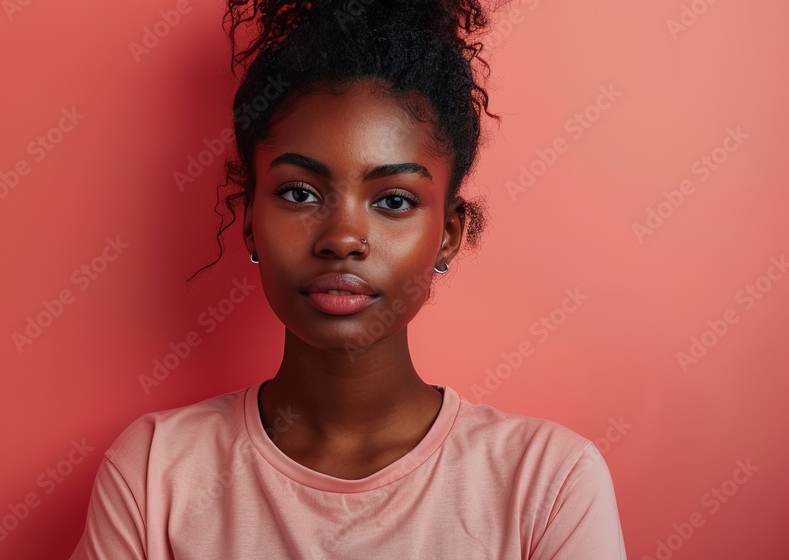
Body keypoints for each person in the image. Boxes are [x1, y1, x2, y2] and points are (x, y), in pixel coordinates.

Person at [70, 0, 627, 557]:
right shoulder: (155, 471)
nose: (342, 237)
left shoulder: (547, 483)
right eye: (299, 193)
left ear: (449, 235)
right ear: (248, 223)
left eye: (392, 200)